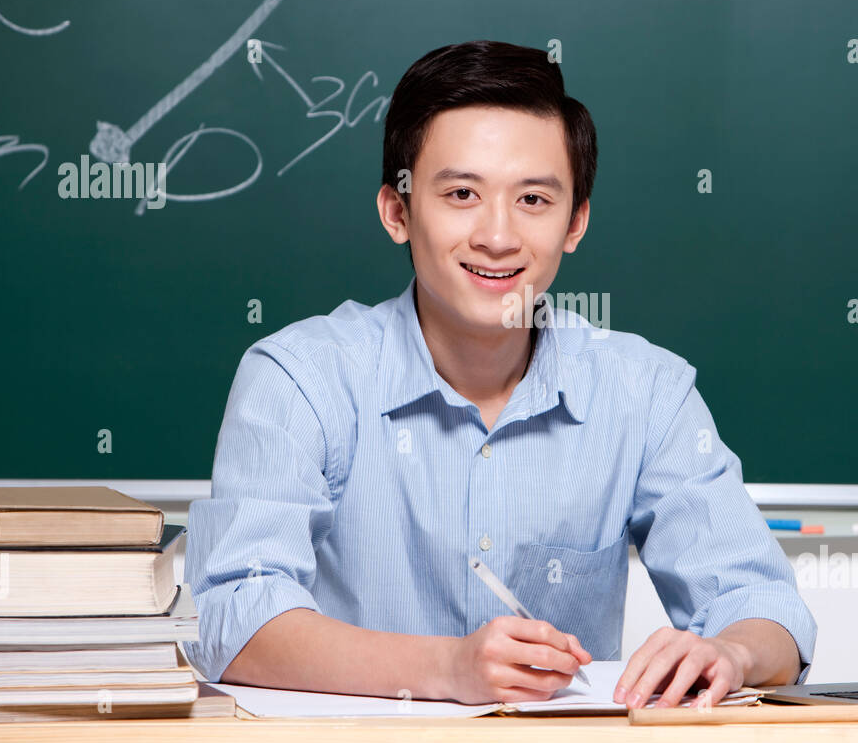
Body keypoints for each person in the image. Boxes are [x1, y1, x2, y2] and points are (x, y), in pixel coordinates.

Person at [183, 39, 816, 707]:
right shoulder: (299, 380)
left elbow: (766, 605)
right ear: (397, 212)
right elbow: (237, 617)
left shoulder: (646, 393)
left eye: (534, 201)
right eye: (461, 193)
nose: (497, 236)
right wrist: (449, 670)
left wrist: (731, 651)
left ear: (576, 223)